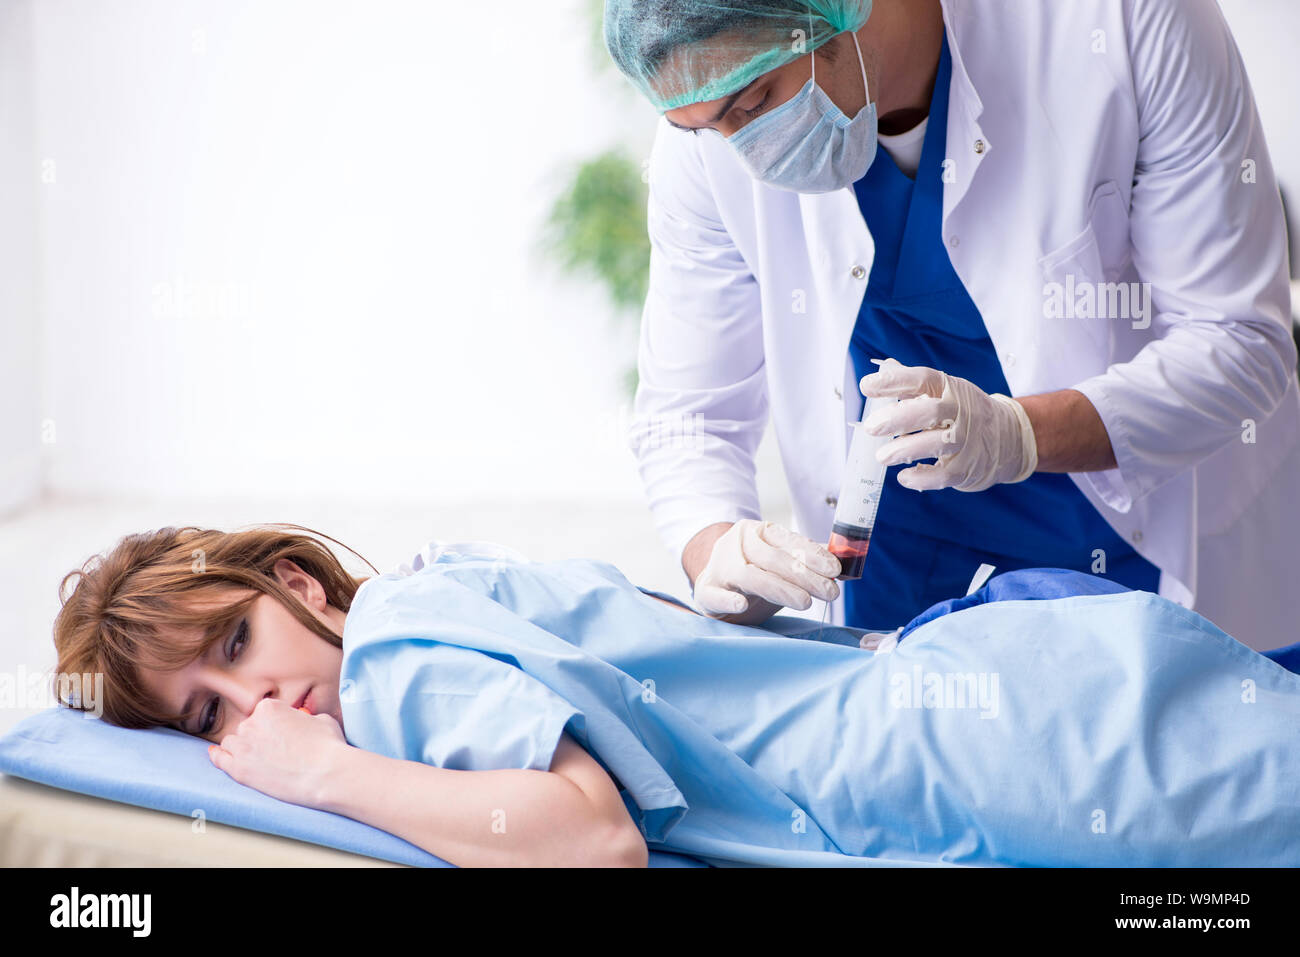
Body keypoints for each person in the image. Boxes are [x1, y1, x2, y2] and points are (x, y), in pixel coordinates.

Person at [605, 0, 1299, 650]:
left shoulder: (1118, 21)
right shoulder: (708, 144)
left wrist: (1015, 435)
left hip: (1145, 533)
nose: (742, 151)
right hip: (900, 555)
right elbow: (689, 413)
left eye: (754, 103)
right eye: (699, 129)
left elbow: (1239, 342)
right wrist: (718, 550)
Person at [50, 524, 1300, 867]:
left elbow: (590, 840)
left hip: (994, 750)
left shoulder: (392, 666)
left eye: (231, 641)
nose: (251, 697)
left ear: (294, 581)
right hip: (1014, 680)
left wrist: (319, 774)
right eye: (207, 714)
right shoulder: (448, 586)